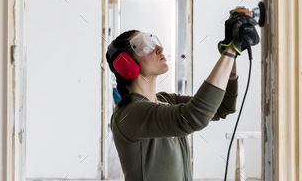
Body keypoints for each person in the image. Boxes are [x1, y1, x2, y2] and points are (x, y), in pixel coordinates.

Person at [106, 14, 258, 181]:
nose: (159, 48)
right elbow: (195, 116)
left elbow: (223, 106)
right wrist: (230, 49)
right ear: (126, 63)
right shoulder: (128, 115)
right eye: (145, 45)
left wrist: (231, 52)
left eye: (154, 41)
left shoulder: (165, 101)